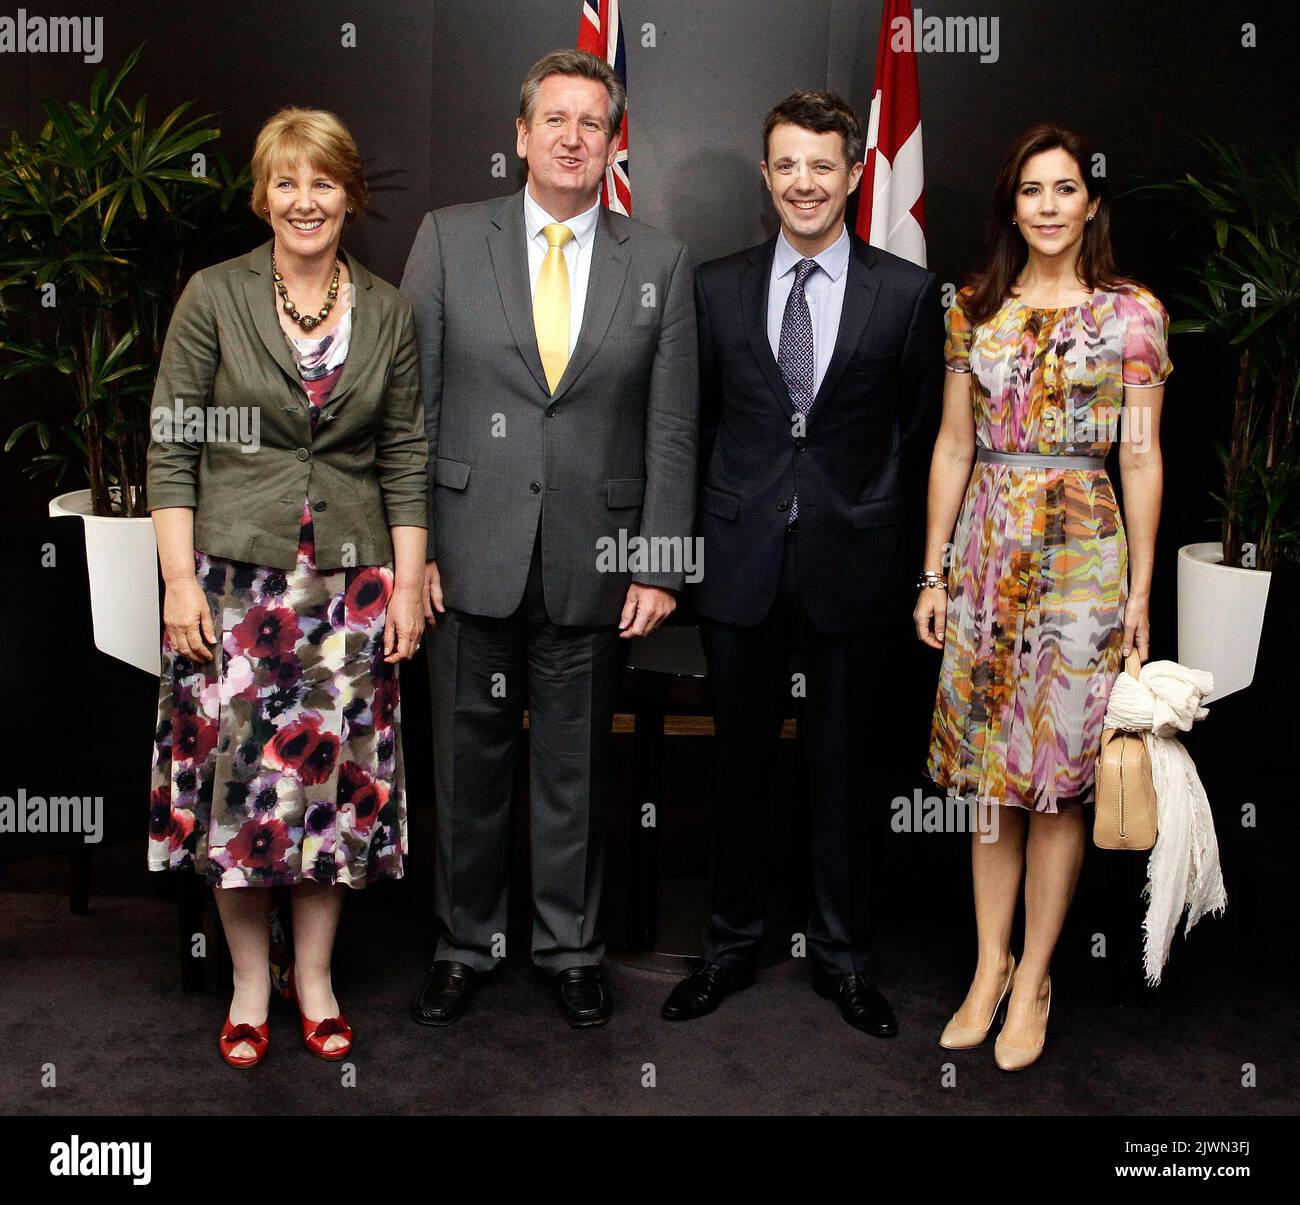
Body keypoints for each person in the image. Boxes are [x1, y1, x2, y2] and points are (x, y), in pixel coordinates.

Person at [401, 50, 698, 1028]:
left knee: (574, 771)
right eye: (554, 120)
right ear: (520, 134)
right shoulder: (447, 241)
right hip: (465, 551)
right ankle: (462, 943)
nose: (572, 137)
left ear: (615, 145)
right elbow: (413, 406)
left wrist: (659, 558)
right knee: (467, 767)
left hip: (597, 562)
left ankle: (571, 947)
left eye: (592, 124)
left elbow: (671, 423)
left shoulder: (657, 262)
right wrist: (416, 551)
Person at [147, 108, 428, 1068]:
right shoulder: (213, 296)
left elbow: (406, 452)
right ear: (263, 194)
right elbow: (173, 443)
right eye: (286, 183)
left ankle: (316, 979)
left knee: (324, 792)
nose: (304, 201)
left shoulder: (387, 308)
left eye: (324, 183)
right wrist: (178, 579)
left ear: (349, 195)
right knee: (240, 799)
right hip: (231, 589)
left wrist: (411, 578)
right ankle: (249, 985)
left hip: (349, 596)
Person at [661, 91, 942, 1036]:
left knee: (844, 772)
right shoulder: (714, 285)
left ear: (856, 174)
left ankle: (843, 958)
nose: (804, 183)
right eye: (787, 165)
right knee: (736, 768)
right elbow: (694, 426)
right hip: (740, 563)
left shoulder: (906, 296)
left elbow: (916, 432)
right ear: (768, 173)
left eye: (823, 165)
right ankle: (728, 948)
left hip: (851, 567)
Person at [915, 123, 1170, 1070]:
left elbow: (1140, 454)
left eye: (1067, 188)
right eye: (1032, 190)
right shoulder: (973, 307)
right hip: (985, 557)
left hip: (1084, 564)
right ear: (1011, 206)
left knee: (1059, 779)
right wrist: (932, 570)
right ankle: (989, 966)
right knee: (990, 777)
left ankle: (1036, 979)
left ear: (1091, 202)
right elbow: (952, 447)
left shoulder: (1133, 315)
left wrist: (1142, 590)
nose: (1051, 205)